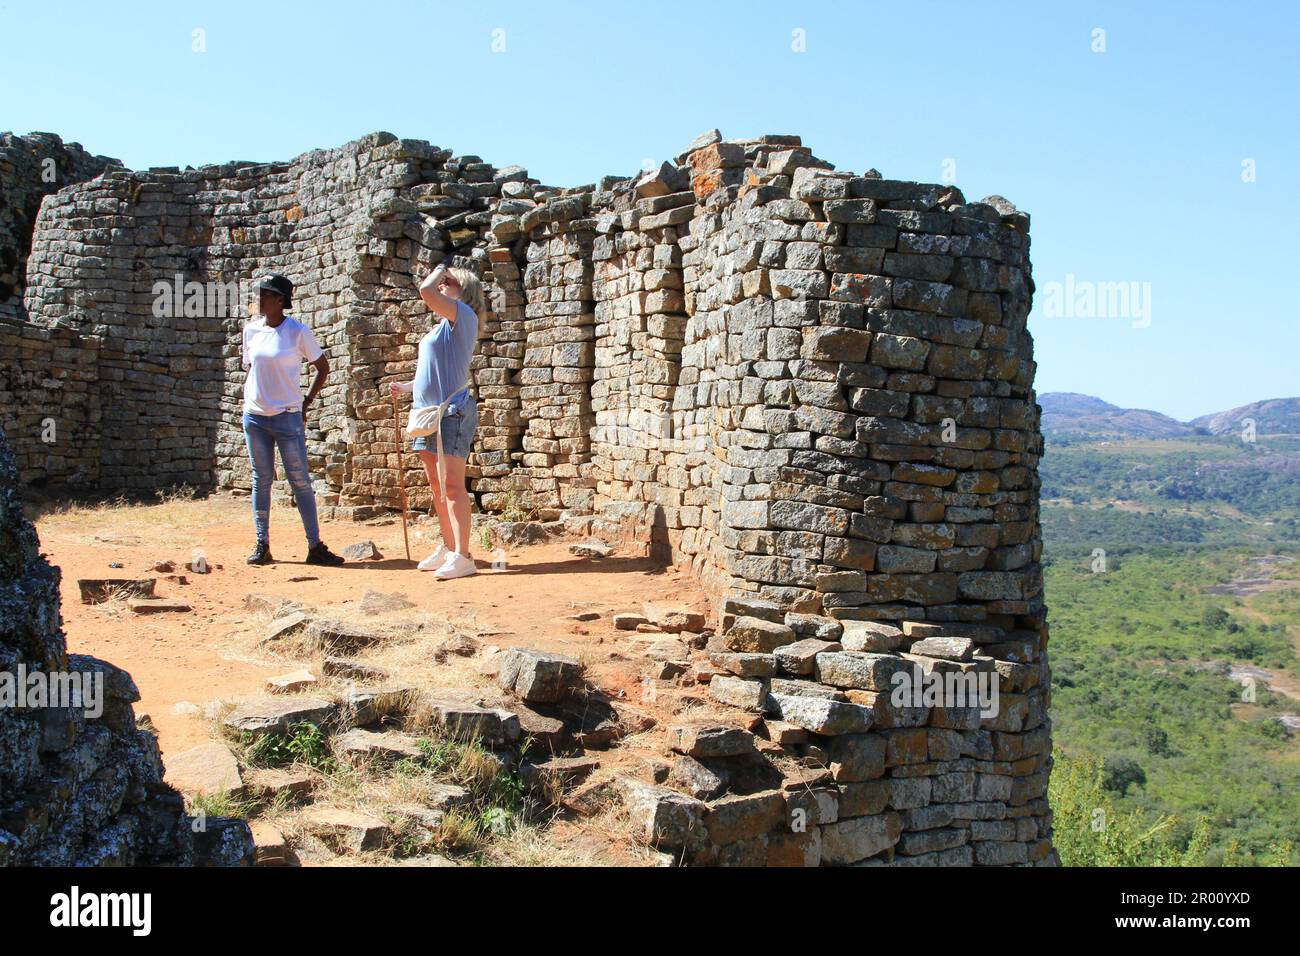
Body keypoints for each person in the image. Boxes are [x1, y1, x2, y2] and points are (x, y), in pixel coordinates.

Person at [240, 273, 345, 566]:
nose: (259, 299)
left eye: (265, 294)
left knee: (300, 481)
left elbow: (322, 368)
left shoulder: (297, 331)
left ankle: (315, 546)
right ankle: (262, 544)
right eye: (259, 294)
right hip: (255, 417)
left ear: (280, 300)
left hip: (287, 417)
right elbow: (251, 369)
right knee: (261, 480)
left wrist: (306, 402)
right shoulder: (251, 331)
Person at [390, 255, 481, 580]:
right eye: (444, 280)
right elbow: (434, 372)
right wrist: (407, 386)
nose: (443, 284)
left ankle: (463, 555)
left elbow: (426, 292)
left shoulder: (464, 316)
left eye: (450, 282)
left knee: (453, 486)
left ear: (464, 290)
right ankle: (448, 546)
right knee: (438, 486)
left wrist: (442, 265)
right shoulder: (443, 328)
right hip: (429, 414)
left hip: (452, 411)